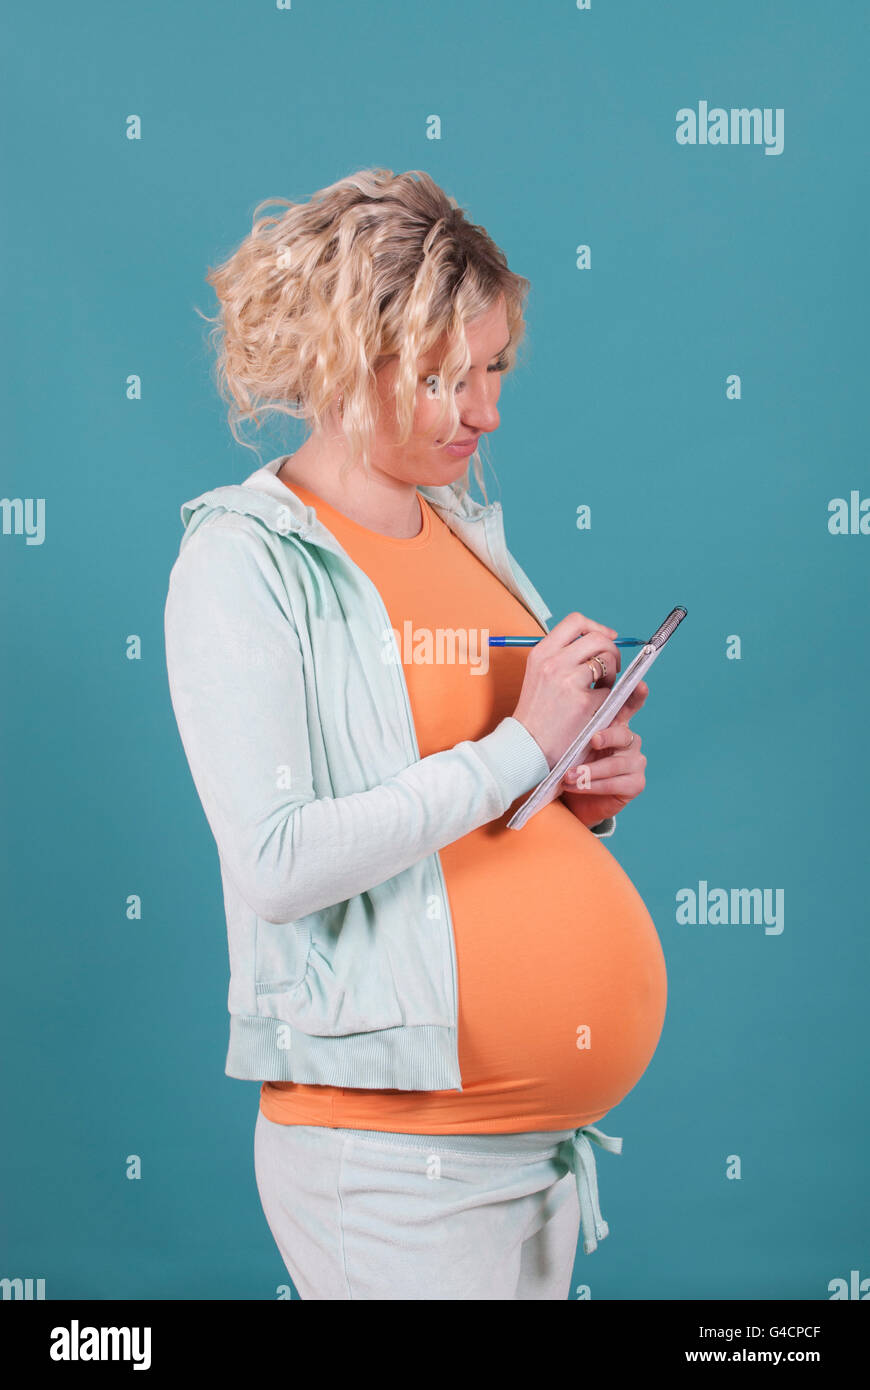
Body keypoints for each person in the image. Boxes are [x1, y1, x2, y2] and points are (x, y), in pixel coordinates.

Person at [164, 167, 667, 1300]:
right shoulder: (244, 563)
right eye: (447, 377)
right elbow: (279, 861)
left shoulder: (466, 537)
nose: (484, 411)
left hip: (528, 1155)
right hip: (392, 1161)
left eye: (494, 369)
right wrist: (517, 751)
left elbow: (478, 808)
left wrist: (580, 793)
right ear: (348, 360)